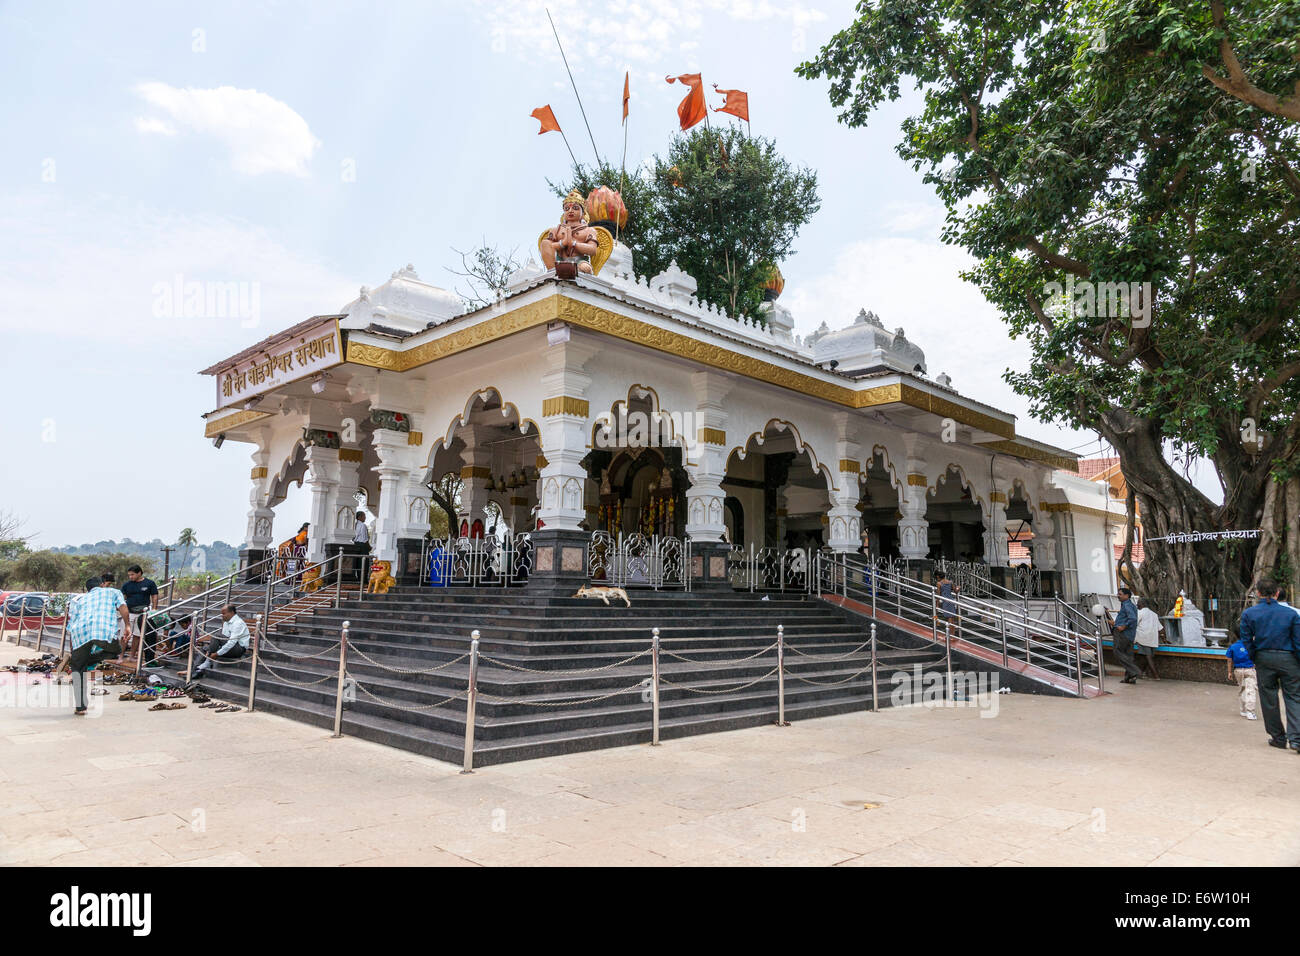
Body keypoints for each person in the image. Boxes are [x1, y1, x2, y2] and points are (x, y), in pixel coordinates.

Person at [1239, 578, 1300, 752]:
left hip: (1263, 658)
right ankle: (1296, 739)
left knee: (1269, 698)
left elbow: (1246, 639)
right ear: (1276, 593)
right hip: (1289, 659)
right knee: (1294, 697)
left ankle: (1278, 738)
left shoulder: (1250, 614)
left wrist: (1254, 657)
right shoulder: (1291, 614)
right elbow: (1298, 642)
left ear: (1257, 593)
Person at [64, 574, 131, 715]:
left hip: (80, 633)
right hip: (102, 630)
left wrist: (74, 651)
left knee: (78, 668)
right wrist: (128, 626)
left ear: (88, 590)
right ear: (102, 584)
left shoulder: (80, 599)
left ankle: (81, 707)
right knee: (115, 650)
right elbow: (123, 607)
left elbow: (71, 625)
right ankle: (87, 660)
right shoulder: (113, 591)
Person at [185, 605, 251, 681]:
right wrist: (212, 650)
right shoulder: (226, 622)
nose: (222, 616)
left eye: (224, 614)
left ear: (232, 612)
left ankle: (208, 661)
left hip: (238, 649)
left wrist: (217, 654)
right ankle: (194, 671)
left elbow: (231, 642)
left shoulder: (238, 623)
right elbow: (223, 639)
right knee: (205, 648)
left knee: (216, 636)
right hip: (230, 647)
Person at [120, 565, 158, 658]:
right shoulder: (126, 585)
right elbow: (121, 598)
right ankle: (120, 655)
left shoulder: (149, 583)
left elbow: (154, 596)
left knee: (137, 636)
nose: (130, 577)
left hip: (142, 614)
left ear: (139, 573)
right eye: (129, 575)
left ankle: (132, 656)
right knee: (123, 635)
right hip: (129, 613)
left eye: (132, 574)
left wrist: (154, 609)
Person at [1111, 587, 1142, 684]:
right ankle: (1129, 678)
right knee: (1128, 655)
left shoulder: (1127, 605)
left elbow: (1132, 618)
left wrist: (1123, 626)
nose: (1118, 596)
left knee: (1117, 651)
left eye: (1120, 594)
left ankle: (1134, 671)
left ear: (1126, 595)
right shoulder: (1130, 605)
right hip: (1130, 635)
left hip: (1123, 634)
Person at [1226, 635, 1258, 720]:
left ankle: (1243, 710)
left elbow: (1229, 660)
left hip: (1238, 671)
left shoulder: (1232, 646)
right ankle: (1250, 712)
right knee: (1250, 690)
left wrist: (1229, 672)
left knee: (1242, 689)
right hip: (1250, 670)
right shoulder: (1252, 645)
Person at [1134, 597, 1162, 680]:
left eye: (1138, 603)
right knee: (1145, 657)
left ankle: (1156, 676)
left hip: (1143, 638)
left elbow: (1133, 624)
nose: (1137, 604)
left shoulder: (1140, 613)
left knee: (1148, 657)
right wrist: (1164, 638)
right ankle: (1140, 673)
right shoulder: (1154, 614)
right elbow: (1160, 628)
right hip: (1153, 639)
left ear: (1142, 604)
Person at [936, 572, 959, 637]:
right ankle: (953, 634)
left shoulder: (939, 583)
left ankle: (950, 635)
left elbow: (938, 595)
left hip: (945, 601)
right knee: (952, 618)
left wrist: (937, 605)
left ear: (938, 577)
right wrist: (958, 588)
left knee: (949, 618)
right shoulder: (950, 582)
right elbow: (956, 591)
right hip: (951, 600)